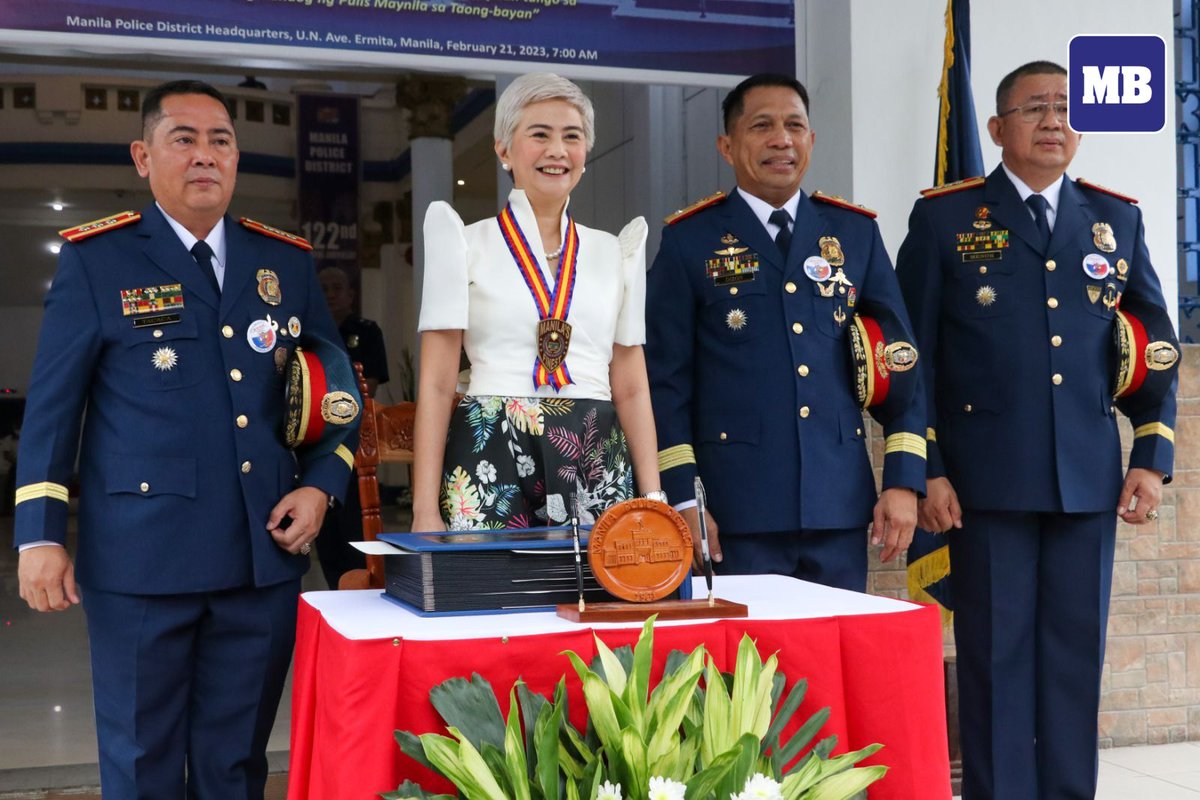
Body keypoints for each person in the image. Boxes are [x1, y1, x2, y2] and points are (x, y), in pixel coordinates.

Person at [12, 80, 359, 799]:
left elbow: (340, 394)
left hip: (260, 557)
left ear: (236, 160)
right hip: (143, 563)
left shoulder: (284, 264)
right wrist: (39, 535)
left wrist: (321, 485)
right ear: (144, 156)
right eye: (184, 139)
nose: (205, 155)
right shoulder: (99, 260)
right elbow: (52, 406)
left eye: (221, 141)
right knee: (142, 763)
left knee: (235, 764)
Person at [895, 61, 1177, 799]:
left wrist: (1151, 452)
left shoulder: (1116, 218)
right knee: (998, 659)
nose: (1053, 121)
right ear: (996, 129)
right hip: (985, 483)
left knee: (1073, 658)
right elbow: (910, 354)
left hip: (1087, 479)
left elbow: (1154, 342)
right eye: (1033, 109)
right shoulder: (946, 218)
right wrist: (925, 468)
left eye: (1063, 109)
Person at [645, 73, 925, 592]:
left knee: (833, 665)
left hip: (838, 506)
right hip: (735, 511)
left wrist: (904, 480)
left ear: (811, 140)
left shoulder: (854, 233)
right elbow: (665, 383)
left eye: (795, 125)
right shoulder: (690, 240)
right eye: (762, 126)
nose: (782, 139)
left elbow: (901, 362)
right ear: (727, 146)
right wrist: (684, 499)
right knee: (747, 670)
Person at [412, 72, 663, 531]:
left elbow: (630, 386)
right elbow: (435, 384)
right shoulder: (463, 244)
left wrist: (654, 498)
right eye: (539, 135)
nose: (557, 151)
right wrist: (423, 509)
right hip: (490, 446)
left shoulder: (616, 251)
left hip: (594, 449)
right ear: (504, 149)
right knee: (493, 595)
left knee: (596, 596)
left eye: (572, 136)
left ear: (585, 153)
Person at [316, 265, 389, 587]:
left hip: (355, 438)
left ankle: (362, 585)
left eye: (337, 288)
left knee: (354, 523)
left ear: (350, 294)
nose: (331, 295)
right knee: (325, 527)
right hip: (315, 436)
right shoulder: (308, 330)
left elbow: (368, 386)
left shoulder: (367, 331)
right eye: (325, 289)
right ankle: (335, 587)